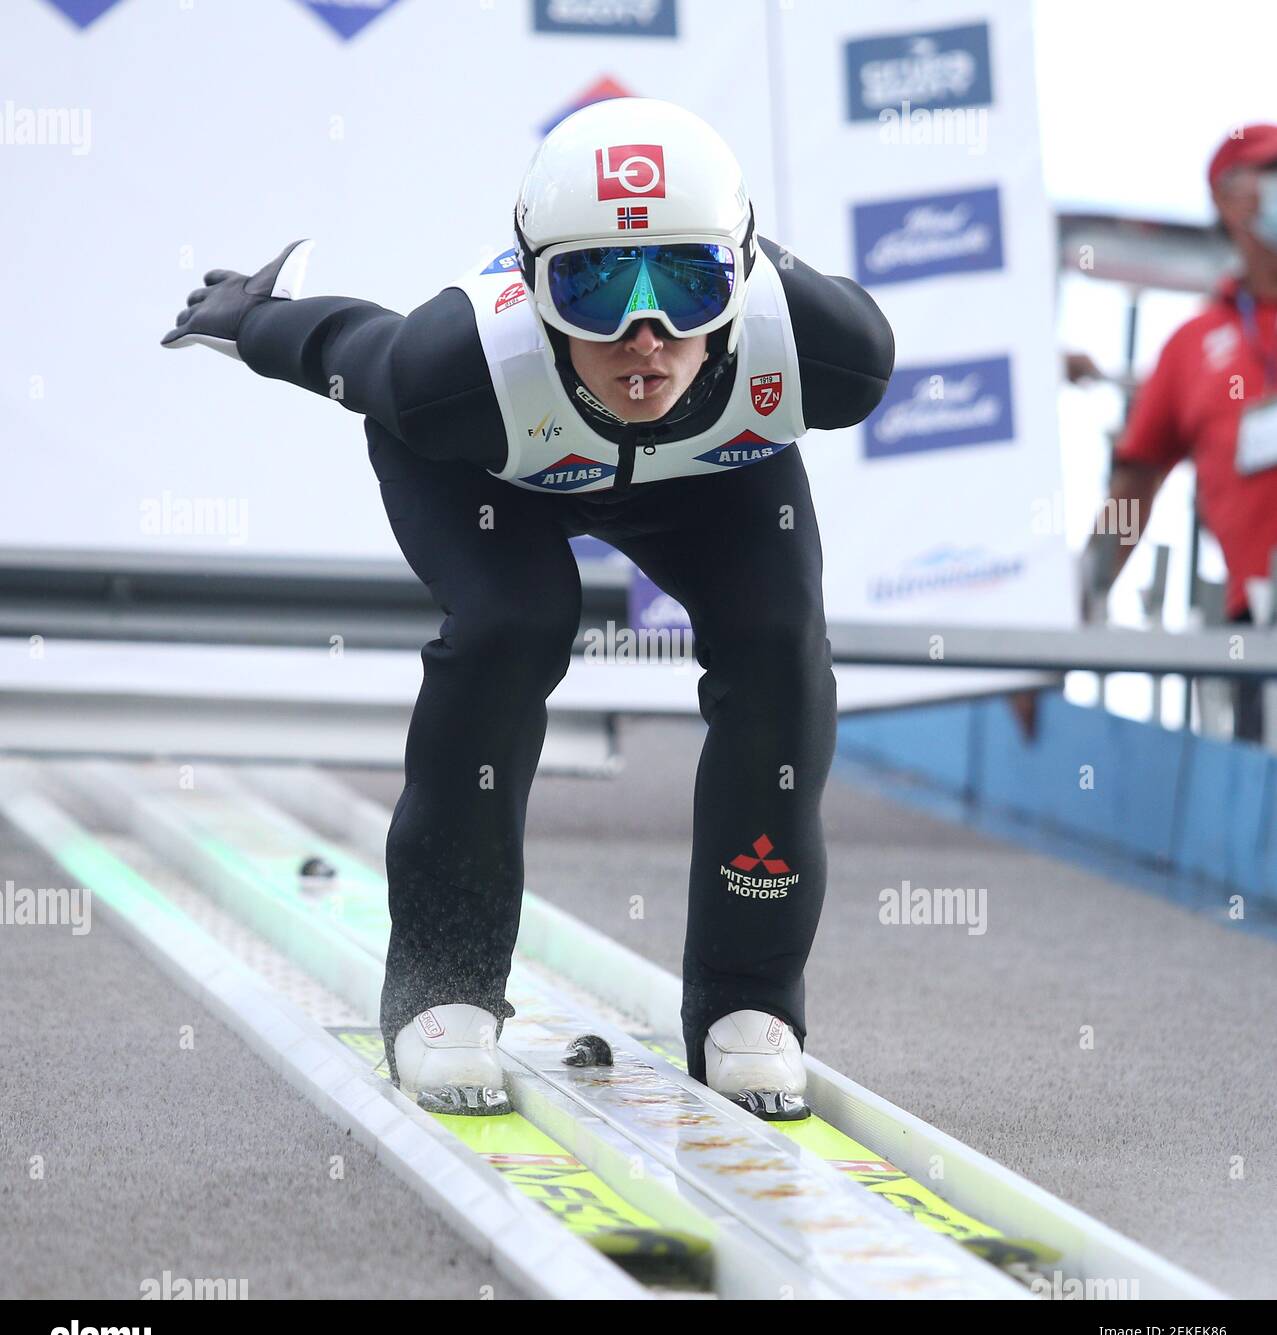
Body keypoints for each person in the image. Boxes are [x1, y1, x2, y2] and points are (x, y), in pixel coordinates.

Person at [162, 98, 894, 1118]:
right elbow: (346, 343)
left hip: (712, 479)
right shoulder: (453, 370)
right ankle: (442, 987)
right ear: (533, 285)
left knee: (779, 647)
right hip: (493, 468)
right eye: (593, 287)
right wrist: (252, 317)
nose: (645, 337)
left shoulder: (832, 349)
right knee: (515, 623)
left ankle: (748, 999)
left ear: (740, 278)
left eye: (687, 284)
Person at [1086, 123, 1277, 739]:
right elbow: (1133, 487)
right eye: (1268, 174)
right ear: (1226, 199)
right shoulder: (1194, 348)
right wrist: (1075, 609)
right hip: (1263, 626)